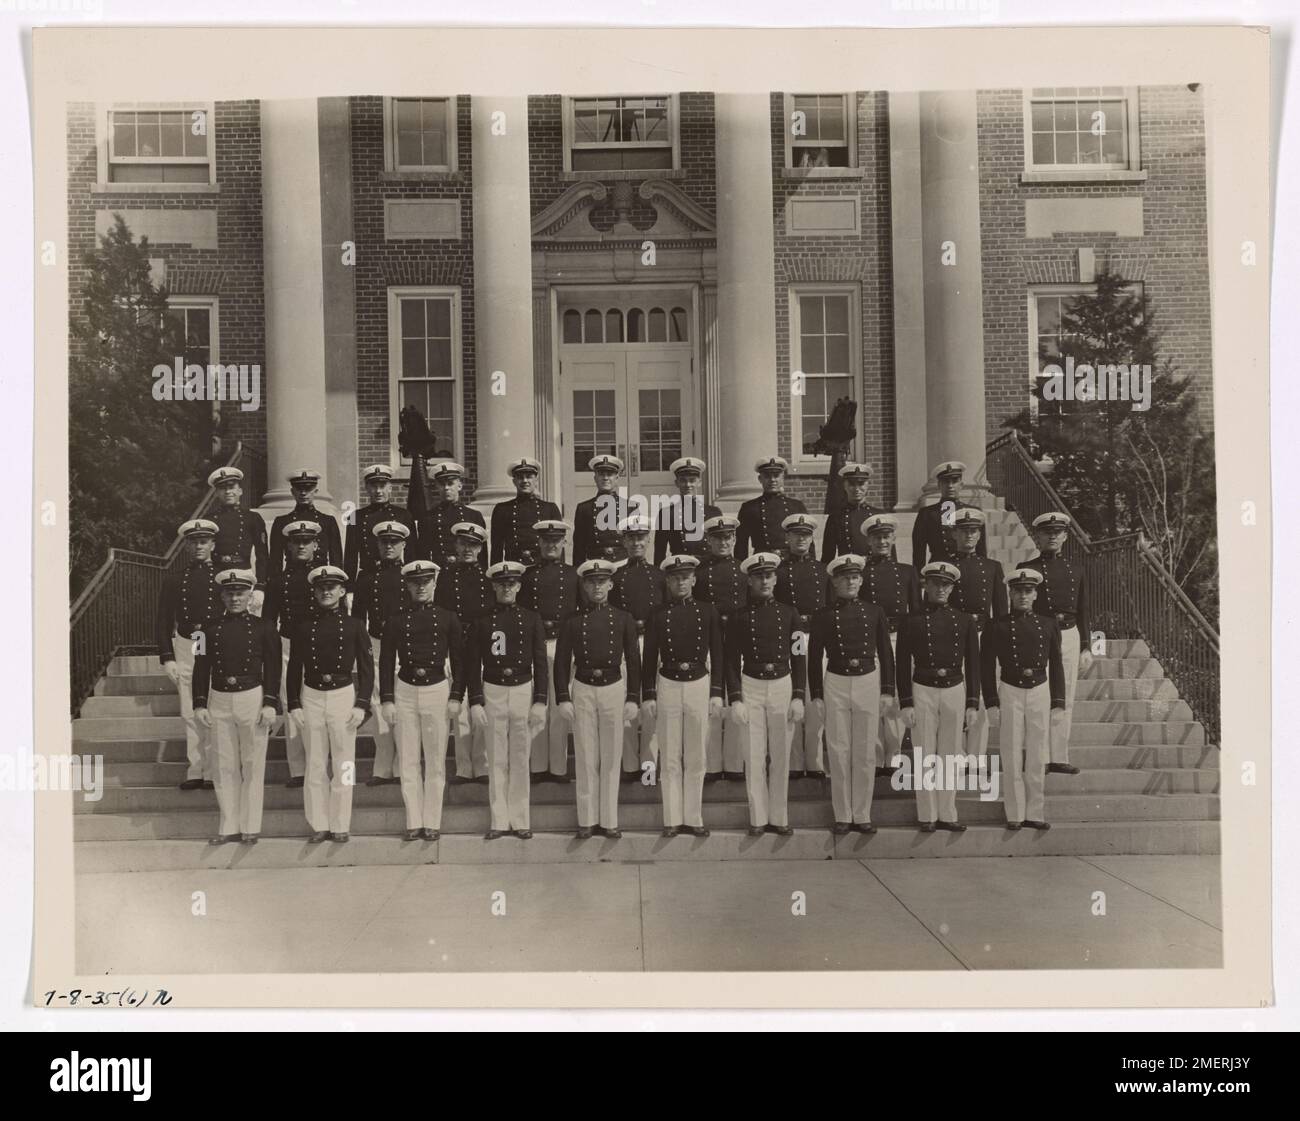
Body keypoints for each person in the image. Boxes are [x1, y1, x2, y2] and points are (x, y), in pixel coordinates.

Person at [192, 569, 281, 845]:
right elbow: (200, 668)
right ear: (222, 596)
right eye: (229, 593)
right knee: (223, 765)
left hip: (251, 697)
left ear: (250, 596)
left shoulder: (265, 627)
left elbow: (274, 668)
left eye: (240, 593)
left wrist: (270, 703)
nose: (235, 598)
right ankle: (228, 825)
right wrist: (199, 703)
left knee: (253, 764)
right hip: (219, 699)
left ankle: (251, 826)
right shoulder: (205, 629)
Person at [808, 554, 895, 836]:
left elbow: (886, 653)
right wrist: (817, 694)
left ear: (861, 580)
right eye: (844, 578)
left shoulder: (874, 611)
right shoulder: (823, 615)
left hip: (867, 680)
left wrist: (887, 690)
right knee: (838, 749)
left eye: (854, 577)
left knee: (866, 750)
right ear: (834, 582)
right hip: (836, 681)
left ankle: (862, 813)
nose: (850, 582)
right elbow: (813, 657)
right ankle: (843, 814)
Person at [286, 565, 373, 844]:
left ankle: (340, 823)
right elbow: (294, 668)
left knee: (344, 762)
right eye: (321, 588)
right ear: (314, 592)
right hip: (311, 695)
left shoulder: (355, 625)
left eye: (332, 587)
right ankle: (319, 824)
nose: (326, 592)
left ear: (342, 591)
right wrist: (294, 703)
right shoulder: (303, 627)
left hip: (342, 695)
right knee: (314, 762)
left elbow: (367, 668)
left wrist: (361, 704)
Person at [554, 558, 640, 840]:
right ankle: (587, 819)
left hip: (613, 687)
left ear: (611, 584)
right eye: (591, 582)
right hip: (583, 687)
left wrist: (633, 697)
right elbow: (562, 661)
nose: (597, 587)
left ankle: (609, 820)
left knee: (612, 756)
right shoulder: (572, 620)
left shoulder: (623, 618)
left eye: (602, 581)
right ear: (584, 586)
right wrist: (563, 697)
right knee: (585, 755)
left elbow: (634, 661)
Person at [379, 559, 464, 842]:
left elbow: (459, 661)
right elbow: (386, 661)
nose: (421, 587)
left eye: (426, 582)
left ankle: (432, 822)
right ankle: (413, 821)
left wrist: (456, 695)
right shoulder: (396, 619)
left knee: (436, 760)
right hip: (405, 690)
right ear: (407, 585)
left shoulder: (448, 618)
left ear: (435, 583)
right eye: (415, 583)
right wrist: (387, 699)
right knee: (408, 759)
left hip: (437, 689)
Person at [465, 561, 548, 840]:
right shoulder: (481, 620)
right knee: (496, 757)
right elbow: (472, 664)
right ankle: (499, 820)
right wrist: (475, 701)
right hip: (493, 690)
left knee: (521, 757)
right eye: (501, 584)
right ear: (493, 587)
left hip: (523, 689)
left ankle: (521, 819)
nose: (506, 589)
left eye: (511, 584)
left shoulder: (531, 618)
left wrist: (540, 700)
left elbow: (541, 663)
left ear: (519, 586)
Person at [642, 554, 724, 838]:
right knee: (670, 754)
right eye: (675, 578)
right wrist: (649, 694)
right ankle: (672, 818)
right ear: (667, 581)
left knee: (696, 754)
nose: (681, 582)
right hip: (668, 683)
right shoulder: (657, 614)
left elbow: (719, 654)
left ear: (694, 580)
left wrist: (717, 692)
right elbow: (649, 657)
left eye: (685, 577)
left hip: (699, 683)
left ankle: (693, 817)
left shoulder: (708, 611)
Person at [896, 561, 981, 833]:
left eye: (946, 584)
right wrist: (906, 702)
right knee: (924, 752)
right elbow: (901, 664)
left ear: (952, 588)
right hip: (923, 688)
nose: (941, 589)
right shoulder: (911, 620)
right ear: (926, 586)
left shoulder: (964, 620)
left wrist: (972, 702)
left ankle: (947, 812)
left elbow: (974, 663)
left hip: (954, 688)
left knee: (951, 752)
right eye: (936, 584)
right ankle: (927, 814)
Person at [727, 551, 807, 836]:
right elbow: (731, 660)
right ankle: (758, 817)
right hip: (751, 685)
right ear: (749, 581)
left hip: (782, 685)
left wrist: (798, 695)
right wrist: (735, 698)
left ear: (775, 579)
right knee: (754, 755)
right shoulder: (738, 616)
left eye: (769, 575)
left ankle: (779, 816)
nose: (764, 581)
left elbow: (799, 657)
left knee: (781, 755)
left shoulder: (790, 613)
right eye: (758, 576)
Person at [981, 568, 1065, 831]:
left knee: (1038, 752)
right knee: (1011, 751)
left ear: (1036, 594)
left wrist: (1059, 701)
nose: (1023, 596)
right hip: (1010, 689)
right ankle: (1015, 813)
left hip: (1040, 689)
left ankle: (1035, 812)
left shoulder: (1048, 624)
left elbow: (1057, 665)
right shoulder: (996, 625)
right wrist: (991, 701)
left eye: (1028, 591)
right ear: (1010, 593)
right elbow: (986, 666)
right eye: (1018, 591)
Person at [1016, 511, 1092, 776]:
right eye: (1046, 532)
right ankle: (1039, 755)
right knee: (1039, 696)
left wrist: (1086, 645)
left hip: (1069, 634)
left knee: (1065, 695)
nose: (1052, 537)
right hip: (1039, 635)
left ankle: (1059, 756)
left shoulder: (1076, 569)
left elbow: (1083, 609)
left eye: (1057, 532)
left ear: (1065, 536)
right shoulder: (1028, 569)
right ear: (1037, 536)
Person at [155, 518, 223, 792]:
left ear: (213, 544)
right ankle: (195, 768)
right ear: (186, 546)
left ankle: (214, 770)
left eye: (203, 541)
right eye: (194, 542)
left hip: (215, 642)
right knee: (189, 707)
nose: (199, 547)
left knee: (214, 705)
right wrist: (167, 656)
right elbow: (163, 620)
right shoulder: (175, 579)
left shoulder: (224, 577)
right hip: (187, 643)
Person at [261, 519, 321, 789]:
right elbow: (267, 622)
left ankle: (318, 765)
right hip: (287, 645)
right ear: (288, 546)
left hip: (319, 646)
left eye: (306, 541)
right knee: (291, 704)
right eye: (296, 542)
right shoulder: (278, 581)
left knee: (317, 705)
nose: (301, 546)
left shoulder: (324, 578)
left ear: (315, 545)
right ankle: (297, 769)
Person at [350, 520, 410, 786]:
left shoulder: (410, 575)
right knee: (377, 702)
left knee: (403, 702)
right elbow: (357, 618)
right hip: (375, 642)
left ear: (403, 544)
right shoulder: (366, 578)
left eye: (394, 542)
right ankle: (383, 766)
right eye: (384, 542)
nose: (389, 546)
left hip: (405, 645)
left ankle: (403, 766)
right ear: (377, 544)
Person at [859, 514, 920, 775]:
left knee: (895, 696)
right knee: (874, 695)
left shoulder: (907, 572)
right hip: (871, 641)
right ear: (868, 541)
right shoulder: (861, 572)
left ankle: (894, 755)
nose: (882, 542)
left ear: (894, 538)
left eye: (886, 536)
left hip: (899, 639)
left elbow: (916, 612)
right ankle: (875, 756)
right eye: (876, 537)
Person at [433, 521, 494, 781]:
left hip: (480, 643)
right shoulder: (446, 576)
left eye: (473, 545)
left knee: (481, 701)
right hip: (455, 642)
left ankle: (482, 764)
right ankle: (463, 767)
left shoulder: (488, 577)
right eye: (463, 544)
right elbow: (440, 612)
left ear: (480, 548)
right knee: (459, 702)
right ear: (455, 546)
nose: (468, 549)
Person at [520, 520, 580, 782]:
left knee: (559, 705)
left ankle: (558, 767)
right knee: (537, 704)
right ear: (539, 543)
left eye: (556, 541)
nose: (551, 545)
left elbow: (581, 614)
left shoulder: (574, 575)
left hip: (564, 644)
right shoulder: (527, 576)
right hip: (535, 645)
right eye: (546, 540)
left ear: (564, 543)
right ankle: (537, 766)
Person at [693, 513, 749, 780]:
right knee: (712, 699)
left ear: (735, 539)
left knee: (738, 696)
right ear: (709, 540)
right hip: (709, 637)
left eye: (728, 537)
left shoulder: (744, 569)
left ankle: (736, 763)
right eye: (717, 538)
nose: (723, 543)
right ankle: (713, 764)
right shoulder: (700, 572)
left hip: (738, 637)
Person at [610, 514, 665, 782]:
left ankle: (649, 769)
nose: (636, 543)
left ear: (649, 539)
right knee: (628, 704)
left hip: (653, 644)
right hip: (626, 646)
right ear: (624, 542)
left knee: (651, 707)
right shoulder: (616, 577)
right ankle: (630, 767)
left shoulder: (660, 576)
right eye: (631, 538)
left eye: (641, 537)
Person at [775, 512, 829, 779]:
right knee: (793, 696)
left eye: (805, 535)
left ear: (811, 538)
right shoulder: (778, 571)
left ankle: (815, 761)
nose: (801, 540)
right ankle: (795, 761)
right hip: (791, 637)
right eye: (796, 535)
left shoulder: (823, 570)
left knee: (815, 697)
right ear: (787, 537)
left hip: (817, 636)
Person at [948, 507, 1007, 758]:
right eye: (963, 530)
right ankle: (956, 751)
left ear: (980, 534)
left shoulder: (992, 567)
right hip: (953, 636)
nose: (969, 535)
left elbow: (1001, 612)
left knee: (980, 692)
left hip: (983, 635)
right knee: (955, 693)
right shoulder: (945, 566)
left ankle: (975, 755)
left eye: (973, 531)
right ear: (954, 533)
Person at [207, 466, 269, 604]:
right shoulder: (209, 520)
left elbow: (262, 555)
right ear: (216, 493)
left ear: (240, 491)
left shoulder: (252, 518)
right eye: (222, 488)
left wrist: (260, 586)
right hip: (217, 576)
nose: (228, 492)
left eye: (231, 487)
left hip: (244, 573)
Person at [343, 463, 416, 582]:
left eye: (382, 486)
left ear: (390, 487)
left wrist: (412, 580)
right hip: (368, 577)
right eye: (373, 486)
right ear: (366, 488)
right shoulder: (354, 517)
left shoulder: (404, 515)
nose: (378, 491)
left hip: (397, 577)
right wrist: (349, 587)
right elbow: (350, 556)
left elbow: (411, 553)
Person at [736, 456, 816, 562]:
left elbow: (808, 540)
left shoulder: (796, 506)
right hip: (763, 563)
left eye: (776, 475)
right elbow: (741, 544)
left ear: (783, 478)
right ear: (760, 479)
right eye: (767, 476)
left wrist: (811, 565)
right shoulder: (749, 508)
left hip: (791, 562)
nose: (772, 480)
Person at [911, 460, 987, 570]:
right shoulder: (927, 514)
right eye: (945, 482)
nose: (950, 486)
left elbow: (981, 548)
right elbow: (919, 551)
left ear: (961, 485)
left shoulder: (973, 512)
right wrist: (919, 576)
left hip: (967, 567)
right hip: (939, 569)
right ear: (939, 485)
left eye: (954, 481)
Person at [489, 458, 562, 566]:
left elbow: (558, 544)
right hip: (513, 568)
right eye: (520, 477)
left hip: (542, 567)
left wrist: (560, 571)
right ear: (514, 481)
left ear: (536, 480)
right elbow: (496, 548)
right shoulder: (502, 509)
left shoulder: (550, 508)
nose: (524, 481)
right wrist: (496, 572)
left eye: (529, 476)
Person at [269, 469, 343, 573]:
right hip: (292, 577)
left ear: (315, 491)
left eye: (308, 489)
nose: (303, 493)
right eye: (299, 489)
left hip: (320, 577)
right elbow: (275, 560)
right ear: (292, 492)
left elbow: (336, 559)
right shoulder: (281, 522)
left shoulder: (328, 521)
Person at [415, 462, 487, 570]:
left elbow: (482, 554)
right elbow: (423, 553)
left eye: (450, 483)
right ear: (437, 487)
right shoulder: (428, 517)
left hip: (467, 571)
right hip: (440, 571)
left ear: (459, 486)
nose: (446, 488)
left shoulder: (473, 516)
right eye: (442, 484)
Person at [653, 457, 721, 565]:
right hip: (679, 568)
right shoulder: (666, 514)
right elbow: (659, 552)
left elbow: (720, 547)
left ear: (699, 482)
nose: (688, 485)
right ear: (677, 483)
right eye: (683, 480)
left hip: (707, 567)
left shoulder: (713, 512)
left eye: (692, 480)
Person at [573, 454, 634, 566]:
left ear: (617, 478)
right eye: (601, 474)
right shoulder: (584, 508)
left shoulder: (630, 507)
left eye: (610, 474)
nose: (605, 478)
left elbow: (636, 542)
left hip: (623, 563)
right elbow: (579, 546)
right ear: (595, 478)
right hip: (594, 565)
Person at [820, 462, 885, 561]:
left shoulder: (878, 515)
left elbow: (890, 556)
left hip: (875, 568)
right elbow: (827, 556)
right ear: (844, 486)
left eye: (861, 484)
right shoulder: (836, 517)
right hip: (848, 568)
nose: (856, 489)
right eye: (852, 484)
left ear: (867, 485)